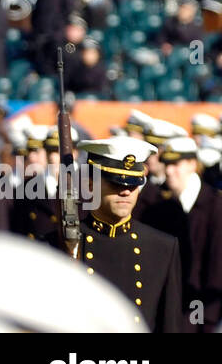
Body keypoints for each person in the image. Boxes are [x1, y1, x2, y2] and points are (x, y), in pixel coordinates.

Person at [73, 137, 183, 332]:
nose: (125, 192)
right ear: (90, 184)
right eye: (116, 184)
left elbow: (170, 324)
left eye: (132, 185)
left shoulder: (162, 248)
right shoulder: (59, 243)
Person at [158, 135, 222, 333]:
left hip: (199, 303)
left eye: (175, 164)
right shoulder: (163, 205)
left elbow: (217, 263)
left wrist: (208, 318)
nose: (169, 171)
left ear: (192, 164)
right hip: (171, 304)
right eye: (166, 164)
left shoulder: (215, 204)